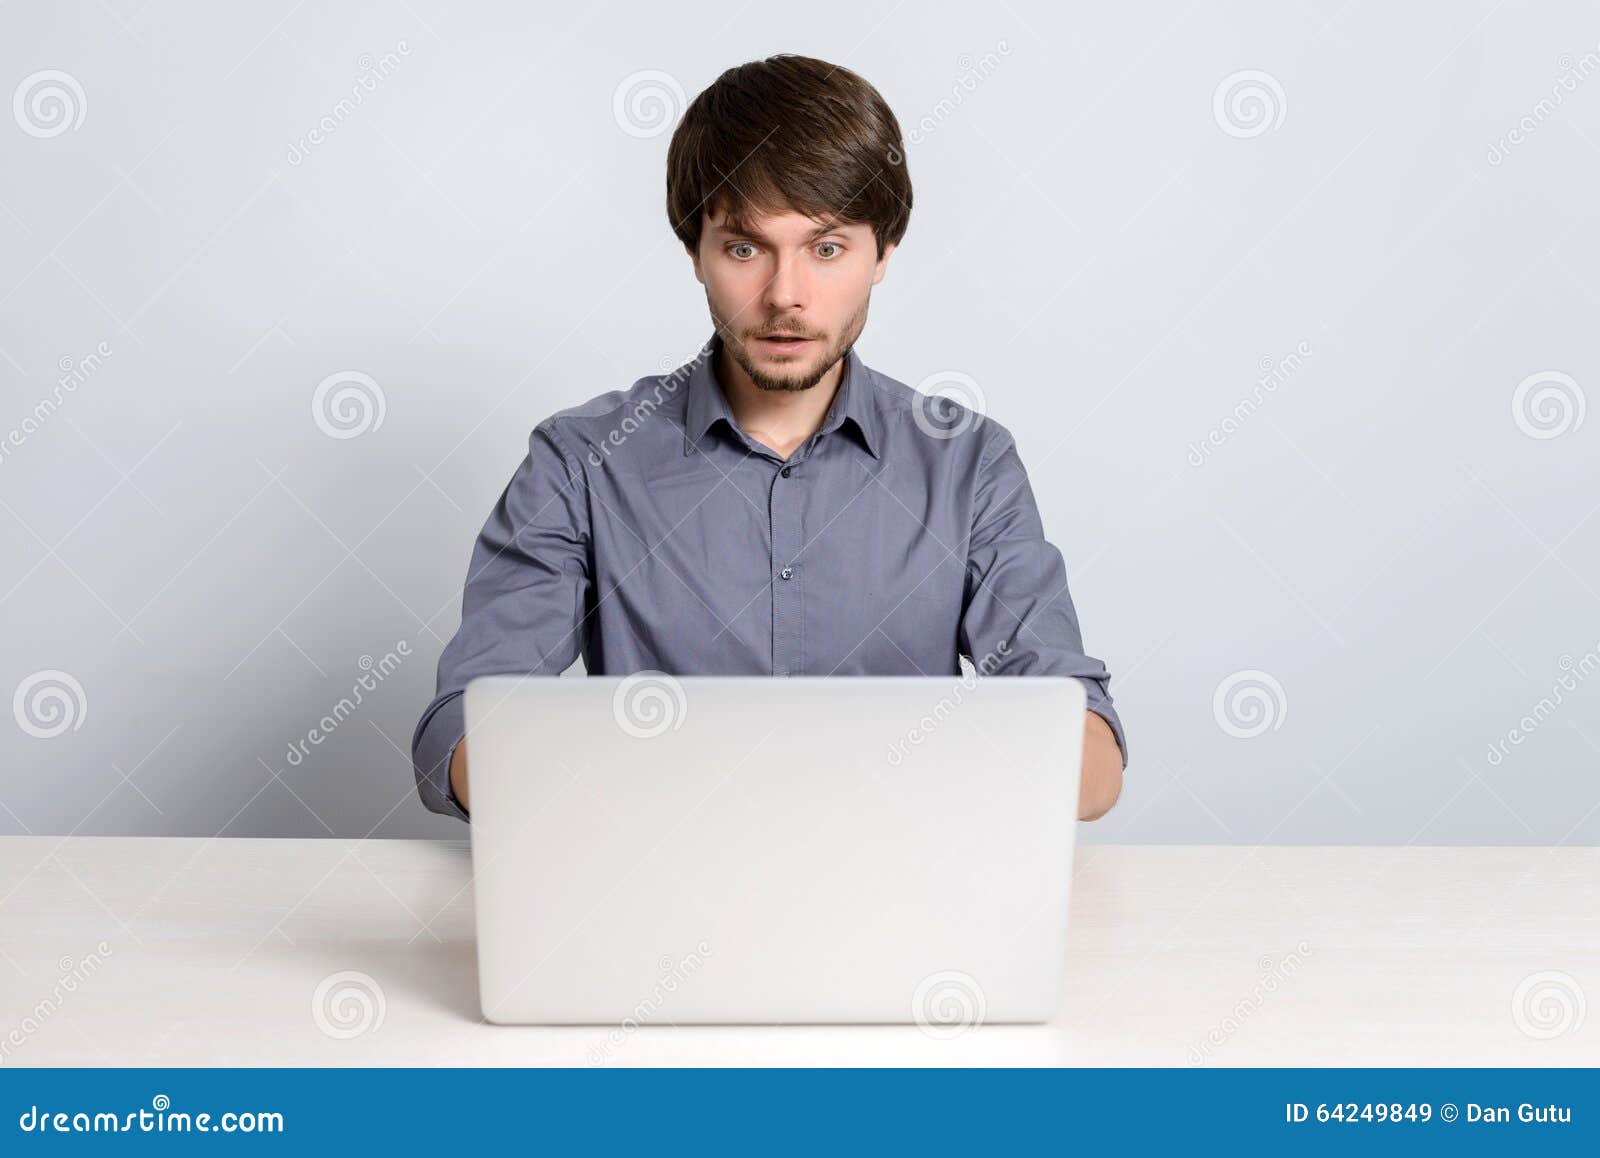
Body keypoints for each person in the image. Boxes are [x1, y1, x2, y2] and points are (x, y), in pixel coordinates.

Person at [411, 54, 1126, 822]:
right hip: (653, 892)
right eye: (746, 248)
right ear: (696, 252)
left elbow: (1085, 749)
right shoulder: (583, 462)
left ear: (882, 253)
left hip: (902, 899)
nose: (785, 296)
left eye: (826, 248)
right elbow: (466, 731)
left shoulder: (969, 464)